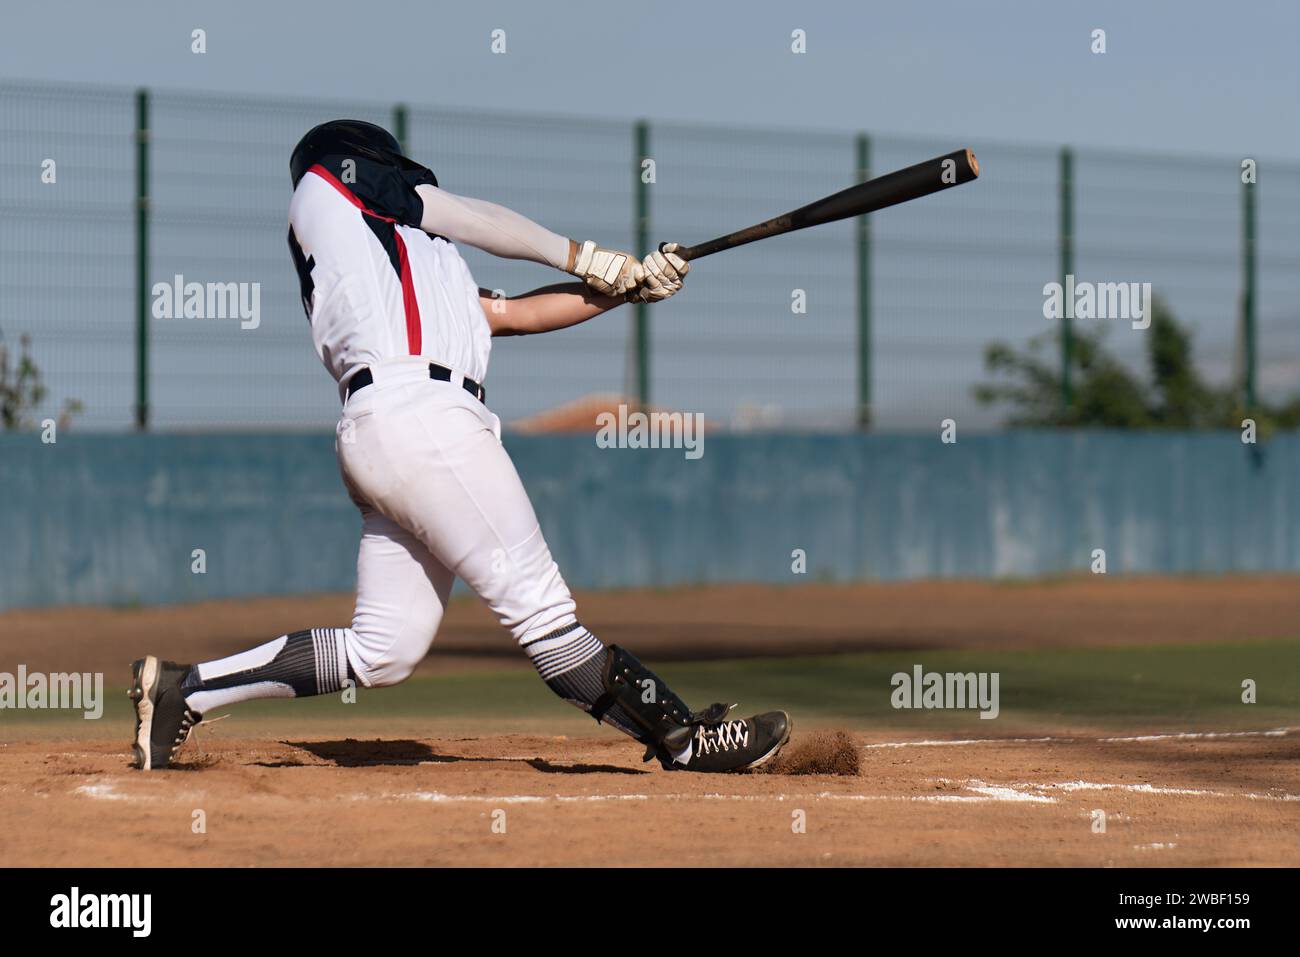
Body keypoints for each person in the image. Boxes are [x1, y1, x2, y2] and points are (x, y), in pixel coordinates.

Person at [129, 119, 790, 773]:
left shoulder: (403, 258)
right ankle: (683, 738)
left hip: (392, 432)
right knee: (543, 612)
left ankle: (185, 689)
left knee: (384, 649)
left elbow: (516, 313)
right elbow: (470, 214)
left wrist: (628, 287)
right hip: (425, 422)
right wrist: (584, 254)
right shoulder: (329, 187)